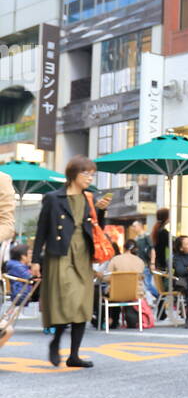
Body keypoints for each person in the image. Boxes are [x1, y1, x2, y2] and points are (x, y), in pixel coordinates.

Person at [30, 156, 111, 367]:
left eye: (92, 174)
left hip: (83, 254)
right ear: (74, 174)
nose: (90, 178)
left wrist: (101, 211)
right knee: (65, 300)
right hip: (60, 254)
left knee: (82, 303)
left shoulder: (89, 198)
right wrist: (35, 260)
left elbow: (96, 228)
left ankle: (74, 355)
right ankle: (55, 342)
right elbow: (41, 230)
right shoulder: (53, 198)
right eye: (87, 174)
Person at [103, 239, 148, 329]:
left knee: (105, 294)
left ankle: (111, 320)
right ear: (136, 249)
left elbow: (107, 278)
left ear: (124, 248)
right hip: (135, 293)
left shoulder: (115, 259)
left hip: (116, 293)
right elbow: (142, 278)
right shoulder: (140, 261)